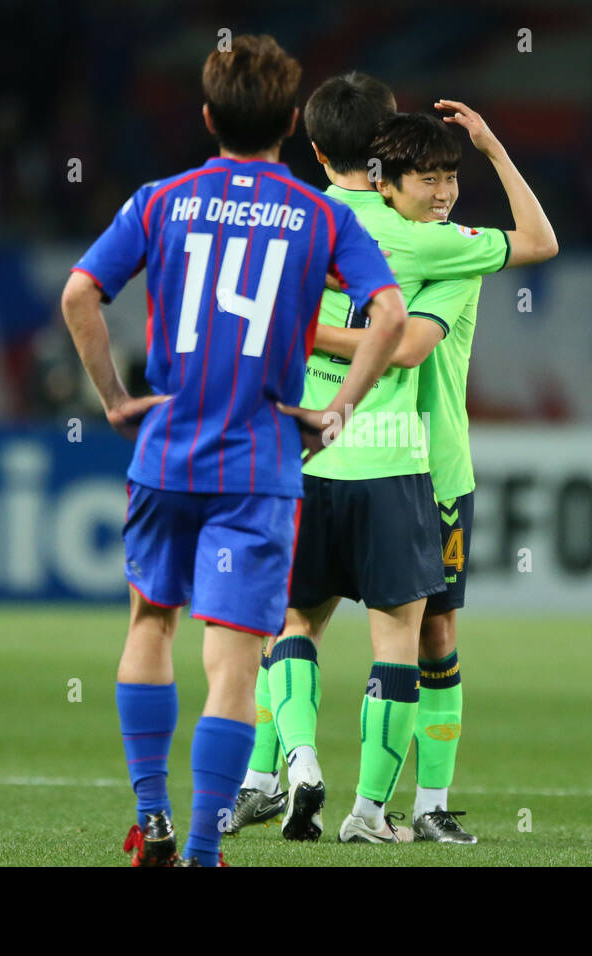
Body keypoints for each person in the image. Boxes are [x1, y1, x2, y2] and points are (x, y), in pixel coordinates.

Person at [60, 36, 406, 867]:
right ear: (292, 122)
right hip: (259, 465)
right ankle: (208, 850)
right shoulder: (319, 214)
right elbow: (387, 315)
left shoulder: (161, 198)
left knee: (151, 619)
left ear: (209, 117)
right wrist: (337, 409)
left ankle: (154, 817)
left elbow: (80, 292)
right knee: (236, 661)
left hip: (168, 450)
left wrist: (113, 399)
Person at [229, 77, 556, 846]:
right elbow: (422, 332)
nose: (443, 191)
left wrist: (296, 329)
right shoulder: (444, 244)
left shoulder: (292, 218)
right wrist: (494, 148)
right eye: (431, 176)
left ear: (316, 148)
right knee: (416, 636)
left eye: (451, 178)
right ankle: (368, 804)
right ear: (383, 161)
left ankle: (280, 777)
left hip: (307, 448)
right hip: (413, 462)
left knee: (288, 624)